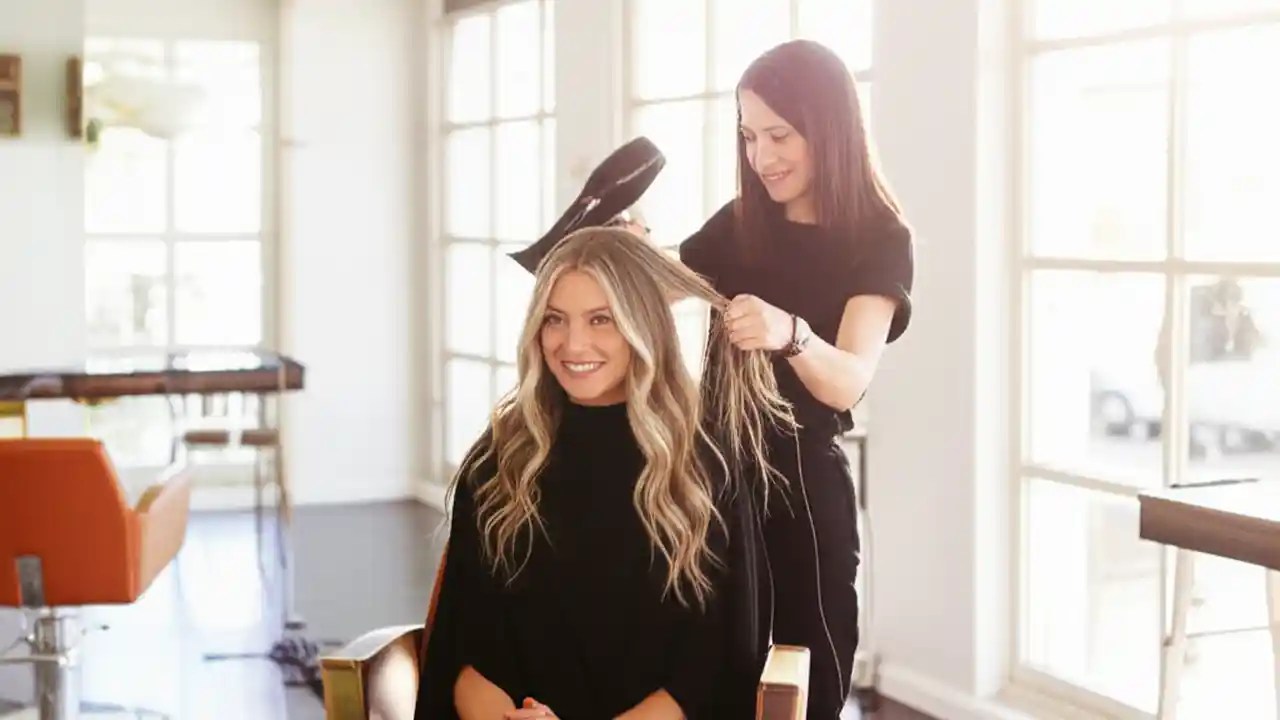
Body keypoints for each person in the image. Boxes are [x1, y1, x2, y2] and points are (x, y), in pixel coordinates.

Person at [415, 226, 795, 719]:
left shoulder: (705, 464)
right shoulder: (501, 458)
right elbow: (462, 648)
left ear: (644, 326)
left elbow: (715, 666)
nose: (573, 344)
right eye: (555, 320)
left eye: (602, 320)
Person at [677, 39, 915, 718]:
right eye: (749, 136)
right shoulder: (741, 223)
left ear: (829, 127)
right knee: (711, 663)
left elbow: (847, 381)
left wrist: (791, 334)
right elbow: (663, 284)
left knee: (808, 674)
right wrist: (623, 252)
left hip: (804, 491)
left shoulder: (879, 238)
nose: (762, 156)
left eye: (780, 135)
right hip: (715, 476)